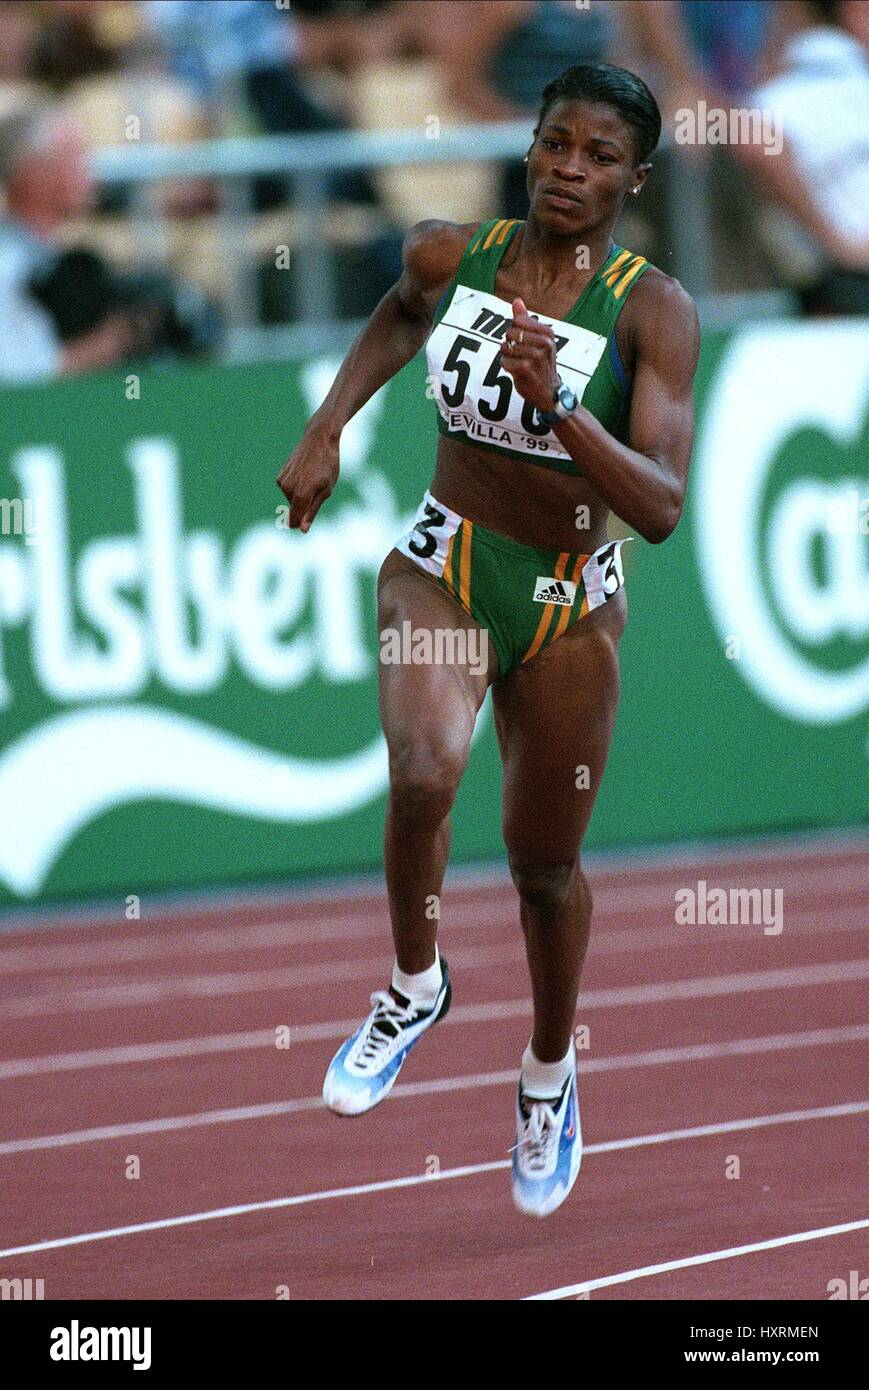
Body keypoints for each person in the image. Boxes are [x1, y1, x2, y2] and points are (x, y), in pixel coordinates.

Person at [276, 63, 700, 1217]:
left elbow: (660, 507)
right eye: (555, 143)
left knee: (541, 868)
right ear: (530, 145)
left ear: (633, 178)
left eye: (598, 155)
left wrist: (559, 403)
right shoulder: (449, 254)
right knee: (422, 772)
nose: (569, 168)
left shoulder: (650, 308)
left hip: (568, 601)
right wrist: (326, 431)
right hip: (443, 567)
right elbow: (400, 316)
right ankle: (413, 985)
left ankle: (548, 1074)